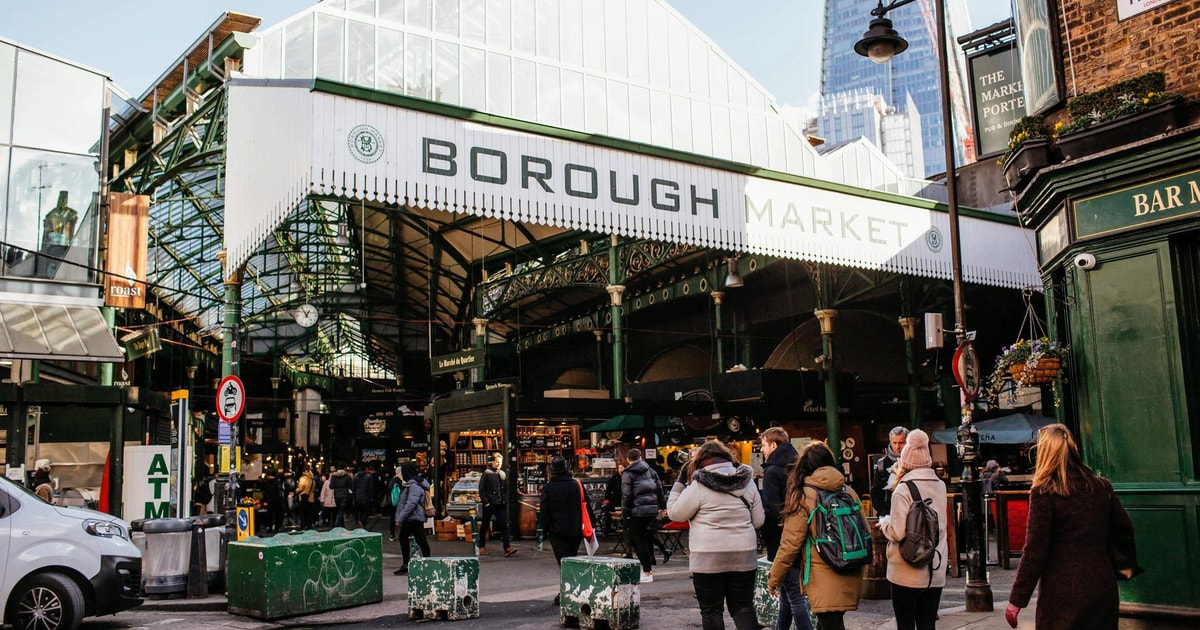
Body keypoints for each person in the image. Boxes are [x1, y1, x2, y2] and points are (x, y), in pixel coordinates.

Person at [1005, 423, 1137, 630]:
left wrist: (1017, 599)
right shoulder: (1102, 486)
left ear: (1045, 454)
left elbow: (1035, 550)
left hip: (1062, 589)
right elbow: (1124, 529)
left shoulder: (1045, 493)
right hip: (1102, 582)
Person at [667, 440, 764, 630]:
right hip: (744, 554)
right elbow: (759, 520)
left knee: (711, 610)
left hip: (708, 557)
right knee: (743, 606)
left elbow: (675, 513)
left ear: (701, 461)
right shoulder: (747, 483)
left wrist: (679, 483)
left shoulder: (698, 486)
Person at [767, 441, 863, 630]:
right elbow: (863, 529)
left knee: (830, 623)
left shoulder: (804, 496)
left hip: (822, 575)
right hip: (851, 566)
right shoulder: (848, 491)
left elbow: (789, 545)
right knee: (830, 623)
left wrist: (774, 579)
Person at [878, 429, 948, 630]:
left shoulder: (903, 489)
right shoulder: (940, 486)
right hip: (934, 566)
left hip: (906, 569)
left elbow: (897, 532)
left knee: (905, 625)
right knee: (927, 624)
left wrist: (884, 522)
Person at [540, 455, 597, 605]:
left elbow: (544, 512)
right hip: (576, 529)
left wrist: (542, 531)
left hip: (557, 531)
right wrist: (593, 524)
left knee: (563, 562)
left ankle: (567, 593)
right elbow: (586, 505)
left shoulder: (548, 488)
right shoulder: (577, 485)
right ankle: (570, 591)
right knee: (572, 559)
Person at [622, 448, 665, 582]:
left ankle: (646, 571)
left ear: (628, 459)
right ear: (641, 457)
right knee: (646, 539)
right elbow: (660, 491)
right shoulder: (651, 471)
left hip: (636, 511)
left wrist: (625, 512)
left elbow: (626, 495)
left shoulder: (628, 473)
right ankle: (647, 569)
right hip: (651, 510)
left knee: (637, 541)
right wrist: (662, 507)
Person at [759, 427, 798, 560]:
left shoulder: (772, 471)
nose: (761, 450)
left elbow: (772, 509)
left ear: (773, 445)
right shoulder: (798, 466)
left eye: (763, 445)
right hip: (798, 529)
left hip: (779, 535)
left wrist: (766, 533)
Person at [392, 462, 432, 575]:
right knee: (414, 538)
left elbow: (411, 503)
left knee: (419, 539)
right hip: (412, 518)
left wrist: (400, 518)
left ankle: (426, 562)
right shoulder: (412, 484)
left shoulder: (414, 486)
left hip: (414, 517)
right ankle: (422, 562)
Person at [478, 452, 517, 557]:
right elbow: (481, 489)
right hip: (490, 503)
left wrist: (505, 500)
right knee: (485, 525)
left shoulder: (503, 473)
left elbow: (504, 489)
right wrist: (485, 502)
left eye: (500, 462)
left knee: (504, 525)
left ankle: (507, 548)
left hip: (500, 503)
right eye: (497, 462)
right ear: (493, 462)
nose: (499, 464)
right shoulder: (486, 473)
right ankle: (481, 546)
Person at [871, 426, 908, 516]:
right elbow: (875, 492)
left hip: (909, 512)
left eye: (901, 443)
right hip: (888, 513)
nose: (897, 446)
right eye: (894, 443)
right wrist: (883, 512)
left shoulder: (913, 462)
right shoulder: (882, 464)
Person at [351, 464, 377, 529]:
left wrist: (354, 497)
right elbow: (371, 487)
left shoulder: (355, 477)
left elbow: (353, 488)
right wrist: (371, 497)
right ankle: (362, 522)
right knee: (366, 512)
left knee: (359, 511)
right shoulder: (369, 476)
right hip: (366, 497)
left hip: (357, 497)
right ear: (366, 468)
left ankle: (359, 522)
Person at [385, 466, 405, 541]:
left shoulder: (392, 480)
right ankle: (403, 534)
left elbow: (388, 490)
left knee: (392, 518)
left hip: (393, 502)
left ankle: (392, 534)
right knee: (403, 517)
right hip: (400, 502)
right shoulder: (401, 480)